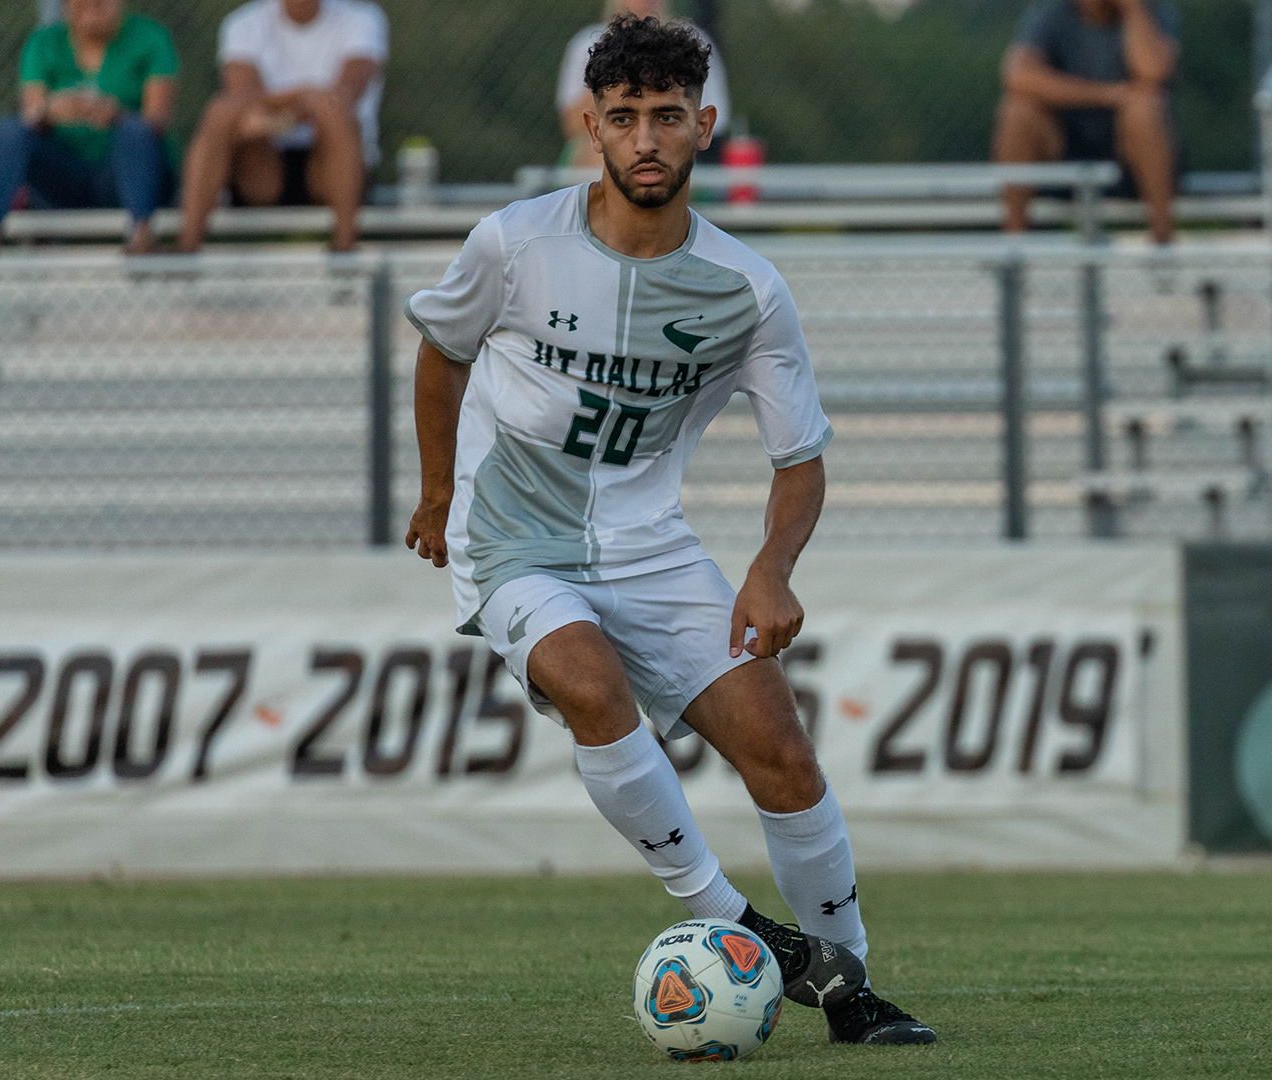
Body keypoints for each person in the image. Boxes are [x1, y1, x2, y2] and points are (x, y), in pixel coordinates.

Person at [403, 15, 936, 1048]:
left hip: (650, 546)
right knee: (592, 687)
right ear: (589, 126)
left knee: (784, 756)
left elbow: (799, 460)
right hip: (513, 536)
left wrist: (772, 570)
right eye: (624, 118)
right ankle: (739, 928)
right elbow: (441, 352)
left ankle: (851, 988)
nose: (646, 138)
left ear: (706, 124)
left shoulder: (746, 290)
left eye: (667, 116)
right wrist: (435, 494)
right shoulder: (515, 244)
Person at [177, 0, 387, 253]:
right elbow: (242, 96)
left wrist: (275, 115)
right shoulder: (243, 23)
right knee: (221, 111)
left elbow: (346, 93)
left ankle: (345, 248)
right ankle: (187, 247)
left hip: (330, 167)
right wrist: (307, 96)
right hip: (263, 168)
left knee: (333, 113)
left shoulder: (363, 18)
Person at [0, 0, 177, 256]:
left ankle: (142, 232)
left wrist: (116, 115)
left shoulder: (150, 37)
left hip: (122, 175)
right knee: (10, 129)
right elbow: (31, 112)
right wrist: (54, 110)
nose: (92, 6)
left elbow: (158, 118)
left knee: (135, 129)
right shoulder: (44, 43)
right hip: (66, 175)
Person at [993, 0, 1181, 243]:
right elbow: (1017, 76)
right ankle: (1014, 249)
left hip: (1131, 162)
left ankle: (1162, 244)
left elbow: (1154, 72)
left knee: (1143, 110)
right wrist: (1109, 95)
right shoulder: (1050, 13)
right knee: (1018, 111)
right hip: (1066, 150)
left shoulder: (1154, 12)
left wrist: (1134, 10)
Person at [557, 0, 729, 169]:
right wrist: (614, 71)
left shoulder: (693, 43)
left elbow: (715, 127)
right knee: (604, 152)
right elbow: (573, 128)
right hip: (597, 157)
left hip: (676, 152)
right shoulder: (586, 44)